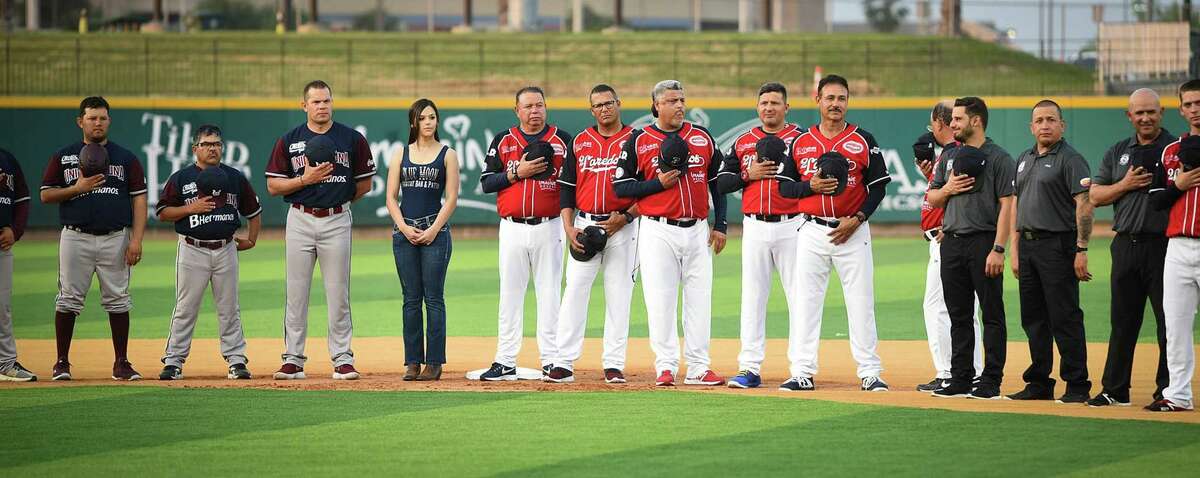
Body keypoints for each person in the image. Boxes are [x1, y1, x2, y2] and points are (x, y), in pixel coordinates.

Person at [774, 74, 892, 392]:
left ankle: (869, 372)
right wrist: (808, 186)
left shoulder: (863, 139)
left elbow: (878, 186)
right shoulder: (801, 142)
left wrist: (859, 217)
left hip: (852, 231)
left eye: (841, 98)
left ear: (847, 101)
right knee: (805, 303)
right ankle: (801, 371)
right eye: (830, 98)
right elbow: (784, 187)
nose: (835, 104)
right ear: (818, 100)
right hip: (812, 230)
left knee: (860, 302)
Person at [614, 79, 728, 387]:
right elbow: (621, 186)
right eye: (672, 101)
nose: (679, 106)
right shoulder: (639, 140)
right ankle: (665, 366)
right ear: (656, 106)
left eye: (682, 100)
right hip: (657, 229)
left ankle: (699, 367)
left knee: (700, 299)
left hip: (697, 229)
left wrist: (721, 224)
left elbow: (717, 182)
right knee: (660, 299)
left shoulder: (702, 137)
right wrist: (656, 185)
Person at [265, 80, 376, 381]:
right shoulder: (289, 140)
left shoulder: (351, 139)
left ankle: (342, 358)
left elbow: (365, 183)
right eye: (315, 102)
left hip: (337, 219)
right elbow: (273, 185)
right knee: (296, 292)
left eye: (326, 101)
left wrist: (336, 200)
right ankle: (293, 359)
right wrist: (305, 180)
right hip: (300, 218)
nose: (322, 106)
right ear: (304, 106)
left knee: (338, 292)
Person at [41, 96, 148, 381]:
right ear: (80, 121)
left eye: (102, 118)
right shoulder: (64, 156)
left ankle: (121, 362)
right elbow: (46, 194)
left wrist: (136, 240)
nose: (97, 123)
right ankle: (61, 362)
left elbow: (139, 200)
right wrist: (76, 188)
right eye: (92, 118)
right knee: (68, 299)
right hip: (75, 236)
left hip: (115, 236)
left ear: (109, 121)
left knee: (118, 299)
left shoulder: (125, 158)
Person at [477, 86, 572, 381]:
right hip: (513, 227)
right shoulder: (504, 141)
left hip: (550, 225)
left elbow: (574, 186)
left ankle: (552, 359)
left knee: (549, 293)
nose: (535, 111)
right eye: (528, 106)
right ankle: (505, 360)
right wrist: (517, 172)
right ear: (517, 110)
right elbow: (486, 182)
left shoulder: (563, 141)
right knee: (510, 294)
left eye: (539, 105)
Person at [715, 82, 806, 389]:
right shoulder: (744, 142)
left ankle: (801, 369)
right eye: (764, 102)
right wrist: (747, 175)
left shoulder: (801, 140)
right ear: (758, 108)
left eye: (775, 103)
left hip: (793, 224)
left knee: (800, 298)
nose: (769, 107)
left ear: (786, 108)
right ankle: (749, 367)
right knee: (753, 299)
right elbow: (722, 182)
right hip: (754, 226)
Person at [1087, 88, 1175, 407]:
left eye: (1151, 112)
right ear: (1129, 116)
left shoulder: (1174, 150)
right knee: (1122, 321)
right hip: (1125, 244)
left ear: (1162, 113)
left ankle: (1168, 391)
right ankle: (1115, 389)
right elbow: (1095, 196)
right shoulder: (1117, 151)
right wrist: (1125, 184)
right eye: (1139, 112)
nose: (1145, 117)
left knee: (1169, 323)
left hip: (1164, 246)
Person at [925, 97, 1016, 400]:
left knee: (991, 314)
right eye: (952, 120)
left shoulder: (999, 157)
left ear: (976, 121)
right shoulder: (950, 155)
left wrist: (999, 248)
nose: (952, 125)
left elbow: (1008, 206)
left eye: (958, 119)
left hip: (984, 241)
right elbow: (934, 199)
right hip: (951, 242)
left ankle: (991, 379)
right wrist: (947, 188)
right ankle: (961, 377)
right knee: (958, 314)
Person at [155, 124, 261, 381]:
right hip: (192, 248)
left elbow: (254, 211)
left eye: (217, 144)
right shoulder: (181, 178)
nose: (213, 149)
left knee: (229, 308)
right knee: (186, 307)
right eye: (207, 144)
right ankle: (173, 361)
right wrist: (189, 209)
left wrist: (252, 239)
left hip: (225, 248)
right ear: (195, 149)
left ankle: (236, 360)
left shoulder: (234, 177)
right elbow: (162, 213)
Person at [548, 84, 638, 384]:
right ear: (592, 110)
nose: (604, 109)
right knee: (574, 291)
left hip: (622, 229)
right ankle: (563, 362)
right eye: (598, 105)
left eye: (609, 103)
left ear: (618, 104)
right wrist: (568, 227)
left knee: (619, 294)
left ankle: (613, 363)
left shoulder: (634, 140)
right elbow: (567, 189)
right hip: (585, 226)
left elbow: (648, 188)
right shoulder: (580, 142)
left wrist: (626, 217)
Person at [1008, 99, 1094, 403]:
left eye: (1050, 120)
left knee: (1064, 317)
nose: (1045, 125)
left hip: (1058, 245)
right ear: (1031, 127)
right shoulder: (1024, 158)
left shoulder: (1071, 160)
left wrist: (1081, 248)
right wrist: (1015, 249)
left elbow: (1084, 204)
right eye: (1039, 120)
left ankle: (1077, 384)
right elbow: (1017, 206)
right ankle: (1039, 383)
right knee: (1033, 318)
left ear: (1061, 125)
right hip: (1029, 246)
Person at [385, 98, 459, 382]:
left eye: (432, 118)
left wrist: (432, 231)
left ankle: (434, 362)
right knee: (410, 300)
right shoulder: (400, 154)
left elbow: (451, 198)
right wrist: (403, 227)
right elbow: (391, 197)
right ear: (413, 122)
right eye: (423, 118)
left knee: (434, 298)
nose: (428, 123)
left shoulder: (447, 154)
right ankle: (412, 362)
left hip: (435, 233)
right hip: (404, 233)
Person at [914, 100, 983, 392]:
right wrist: (928, 174)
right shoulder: (950, 155)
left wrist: (950, 223)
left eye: (934, 125)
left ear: (939, 124)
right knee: (962, 308)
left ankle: (949, 371)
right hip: (949, 239)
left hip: (950, 240)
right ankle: (972, 370)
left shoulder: (958, 154)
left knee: (941, 308)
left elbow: (965, 195)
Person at [1145, 79, 1200, 412]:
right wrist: (1178, 183)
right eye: (1189, 104)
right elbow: (1155, 200)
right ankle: (1178, 394)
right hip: (1178, 246)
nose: (1195, 109)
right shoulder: (1170, 152)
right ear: (1180, 110)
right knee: (1175, 325)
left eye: (1199, 102)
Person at [0, 146, 34, 382]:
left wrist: (16, 230)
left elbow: (22, 198)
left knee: (2, 307)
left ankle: (5, 363)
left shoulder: (7, 159)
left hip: (3, 243)